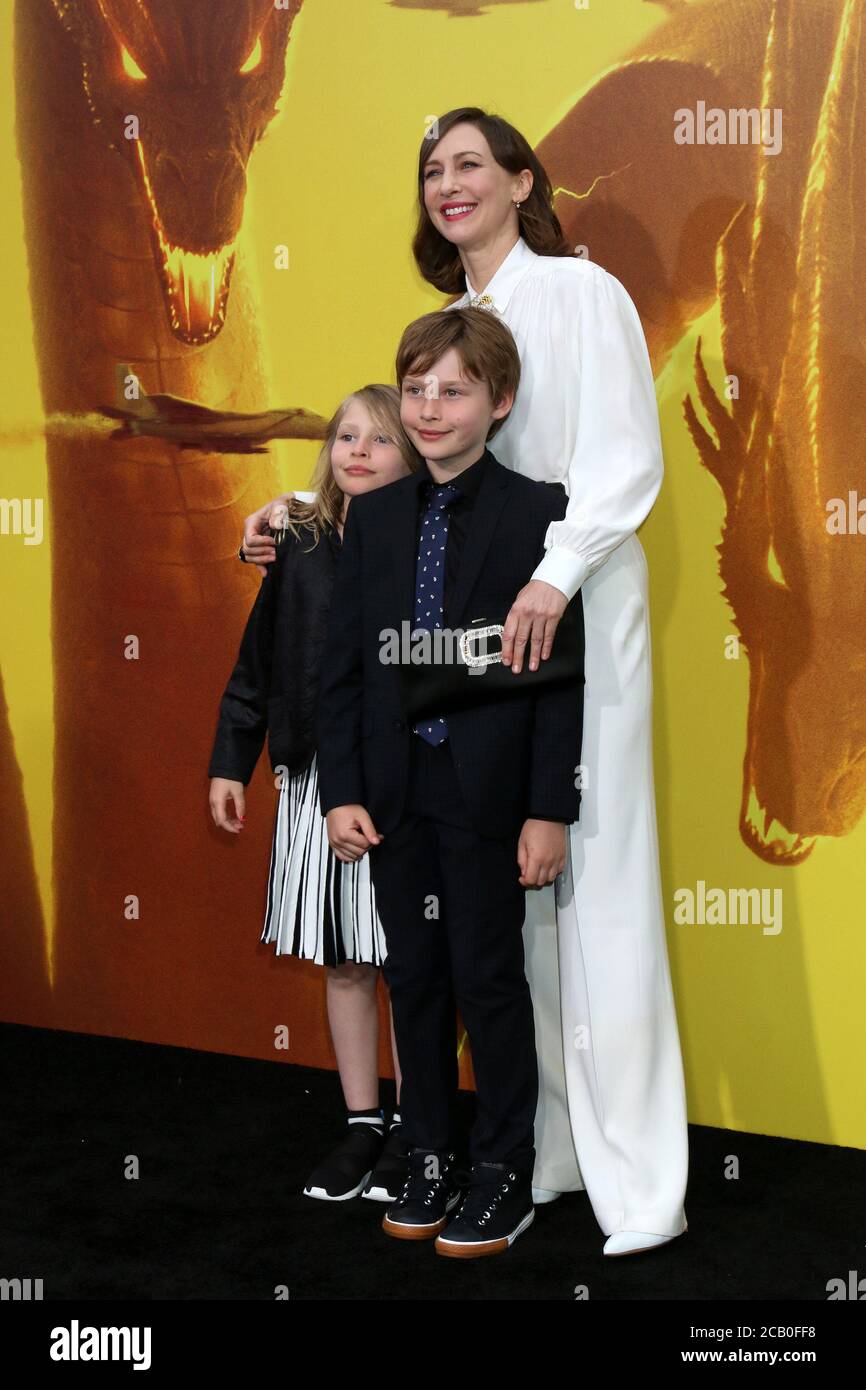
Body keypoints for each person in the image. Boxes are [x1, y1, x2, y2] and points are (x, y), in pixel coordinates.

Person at [240, 107, 689, 1256]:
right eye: (430, 169)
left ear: (521, 180)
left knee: (584, 877)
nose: (446, 185)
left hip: (567, 612)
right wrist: (296, 516)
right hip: (465, 649)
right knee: (493, 925)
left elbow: (623, 459)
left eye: (469, 166)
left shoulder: (580, 292)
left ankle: (632, 1170)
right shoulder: (458, 327)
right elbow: (396, 462)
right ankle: (529, 1149)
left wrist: (554, 576)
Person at [316, 304, 585, 1259]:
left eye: (455, 390)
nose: (430, 408)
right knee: (415, 977)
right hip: (394, 795)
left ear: (498, 401)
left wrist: (550, 808)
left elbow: (559, 679)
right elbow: (343, 665)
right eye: (418, 388)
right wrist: (340, 787)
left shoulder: (540, 513)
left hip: (488, 799)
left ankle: (504, 1167)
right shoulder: (376, 517)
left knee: (488, 981)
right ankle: (429, 1150)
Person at [207, 385, 422, 1205]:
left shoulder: (429, 543)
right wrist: (232, 757)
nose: (358, 451)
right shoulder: (296, 541)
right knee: (345, 961)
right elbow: (260, 660)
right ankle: (364, 1122)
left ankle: (418, 1123)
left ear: (415, 452)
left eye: (379, 439)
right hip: (312, 783)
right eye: (344, 437)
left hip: (401, 785)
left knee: (409, 960)